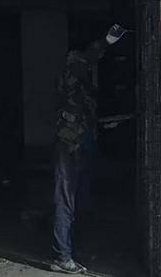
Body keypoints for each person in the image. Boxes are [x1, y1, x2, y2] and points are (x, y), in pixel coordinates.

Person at [51, 24, 126, 274]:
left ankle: (73, 250)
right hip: (69, 146)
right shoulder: (72, 74)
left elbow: (86, 115)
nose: (88, 65)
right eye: (84, 62)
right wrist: (105, 42)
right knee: (66, 199)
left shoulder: (79, 81)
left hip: (80, 145)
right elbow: (88, 58)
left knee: (80, 200)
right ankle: (62, 256)